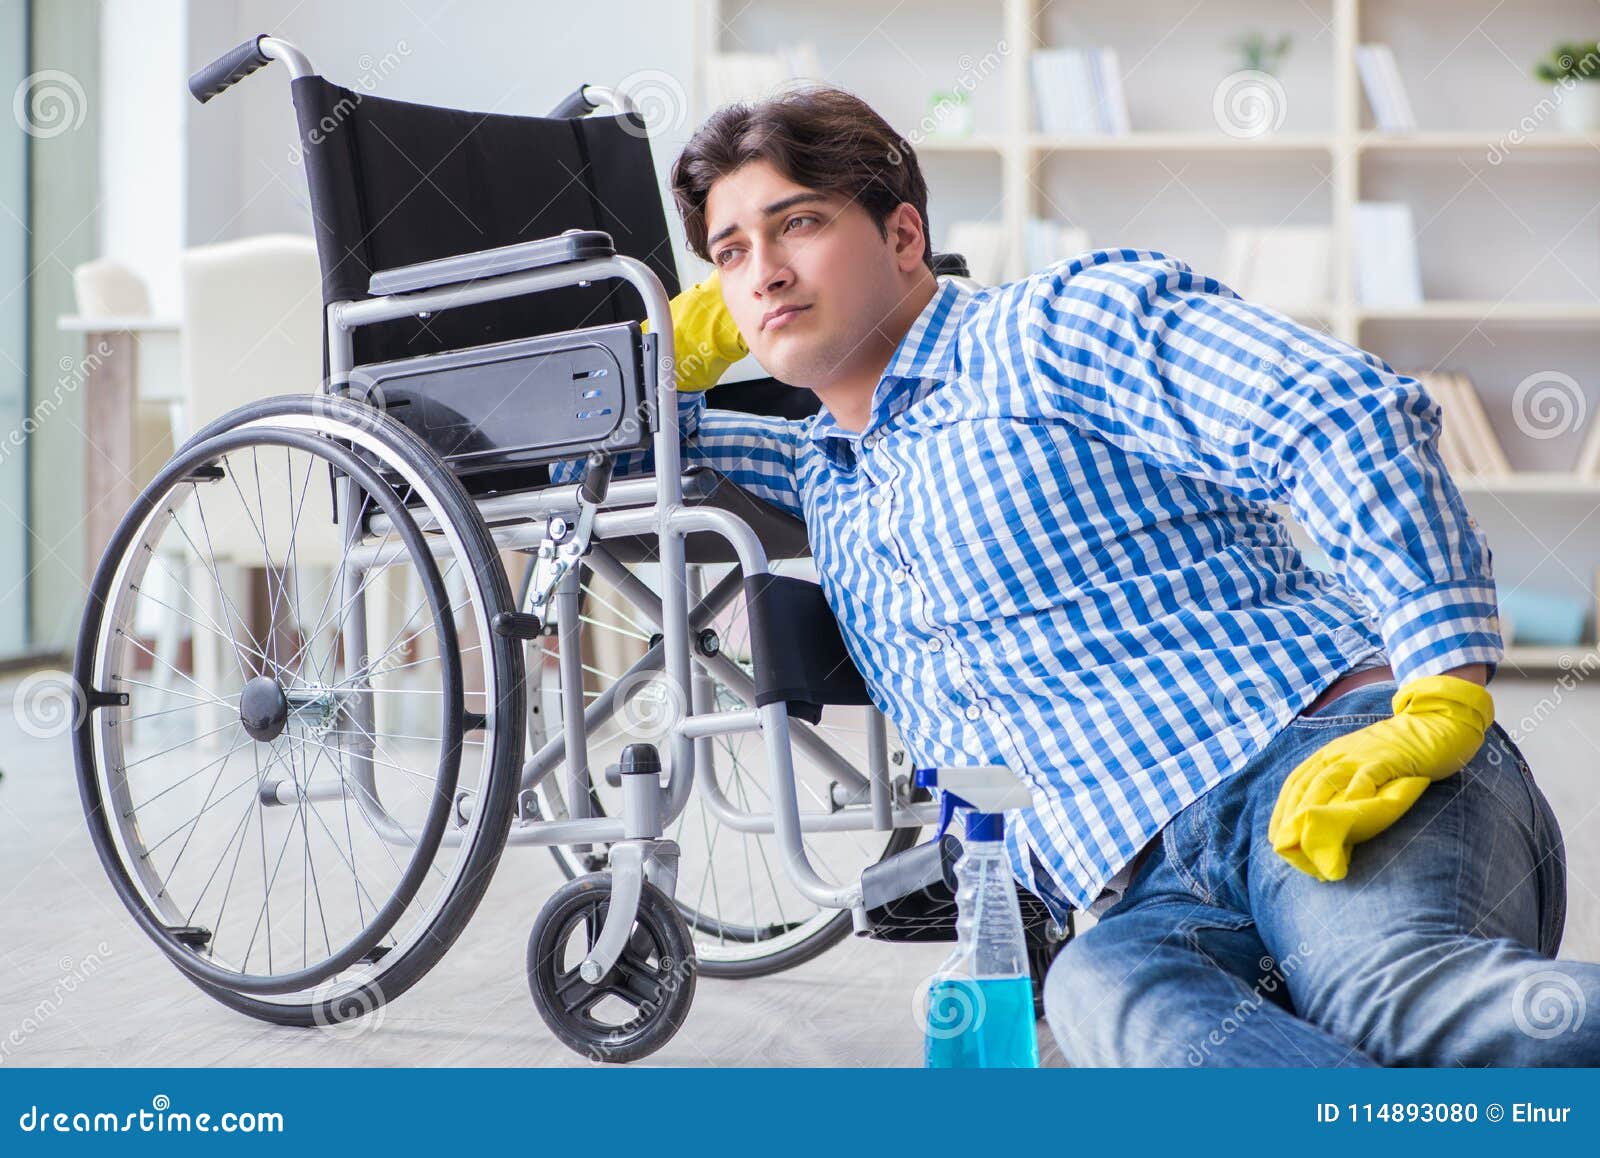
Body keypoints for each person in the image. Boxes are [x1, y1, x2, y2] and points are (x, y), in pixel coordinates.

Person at [558, 84, 1597, 1065]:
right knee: (1112, 1011)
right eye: (730, 254)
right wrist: (667, 343)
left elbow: (1338, 416)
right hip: (1140, 899)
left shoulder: (1054, 329)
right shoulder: (822, 471)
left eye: (797, 226)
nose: (764, 273)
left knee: (1402, 1009)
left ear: (904, 236)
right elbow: (576, 443)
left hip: (1326, 762)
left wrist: (1443, 684)